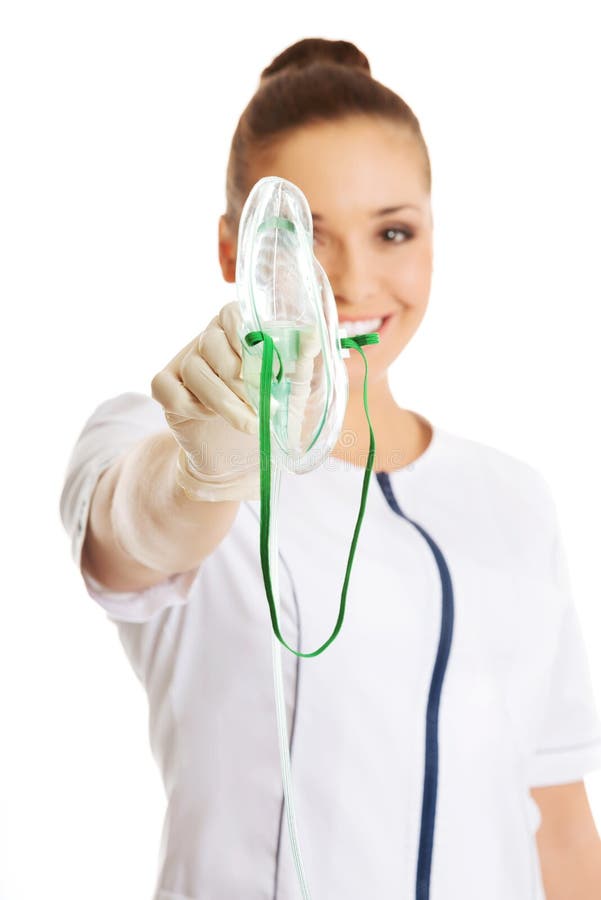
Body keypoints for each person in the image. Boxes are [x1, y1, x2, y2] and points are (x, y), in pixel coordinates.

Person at [59, 37, 601, 900]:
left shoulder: (513, 500)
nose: (351, 280)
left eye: (392, 231)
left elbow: (558, 817)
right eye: (306, 239)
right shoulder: (158, 432)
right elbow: (134, 531)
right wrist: (203, 474)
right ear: (235, 253)